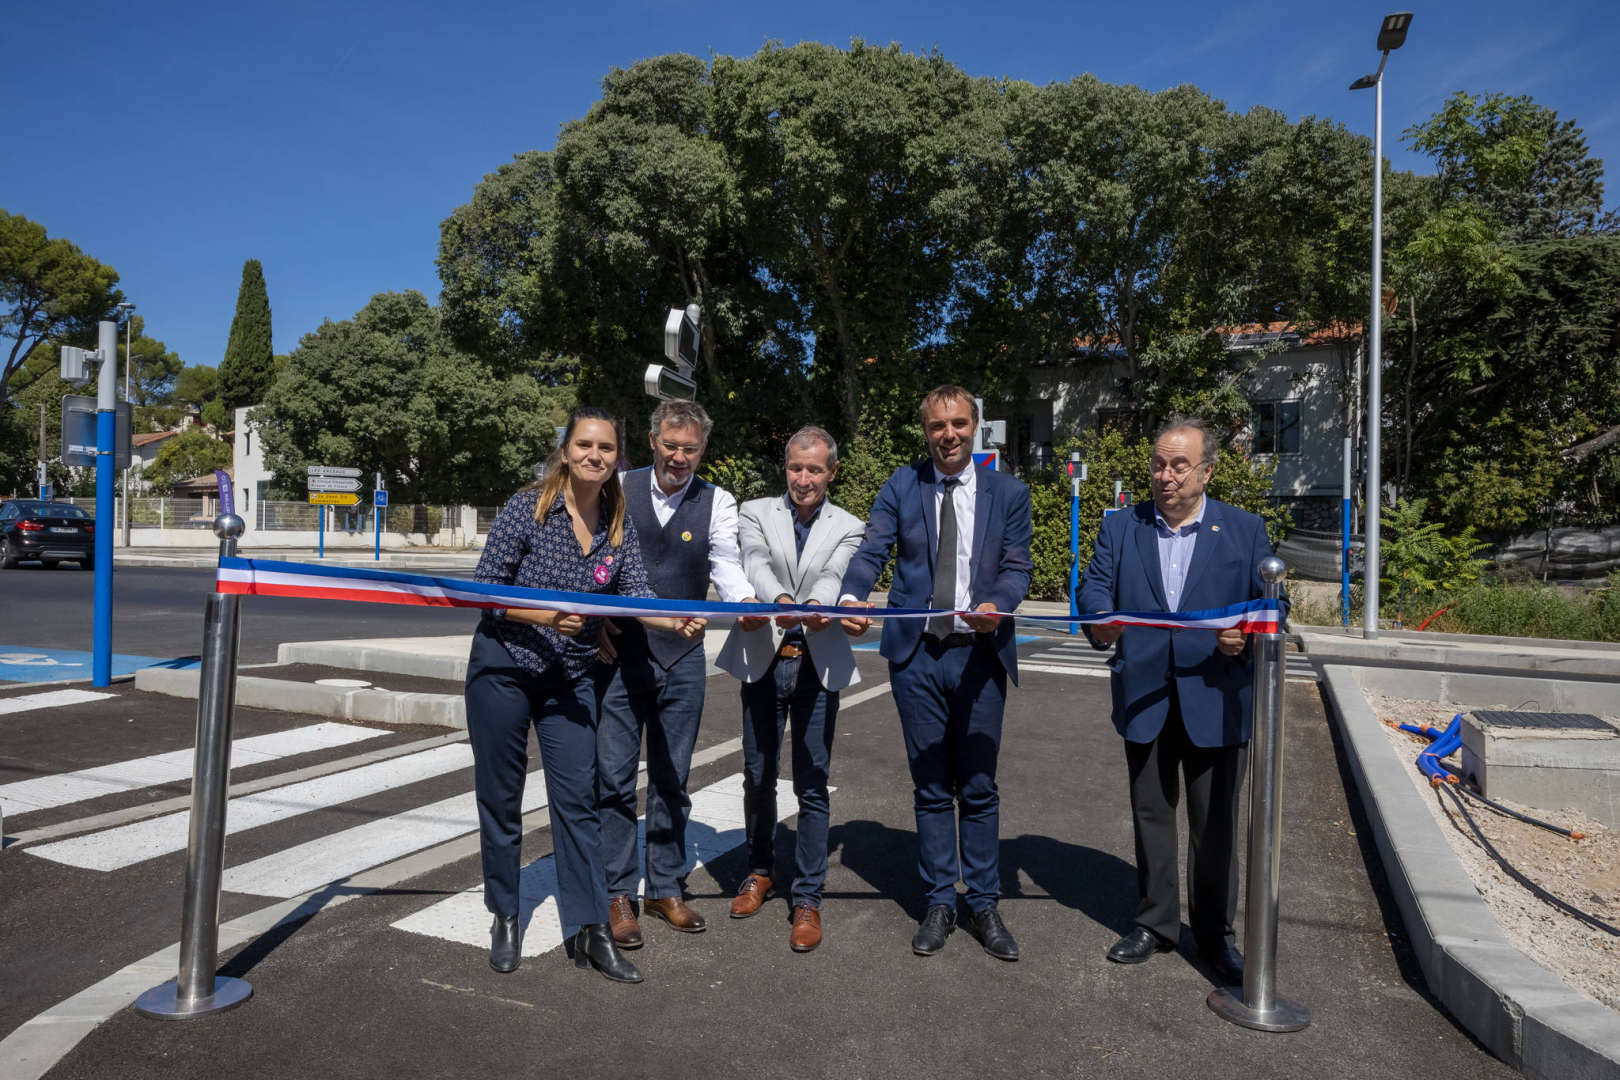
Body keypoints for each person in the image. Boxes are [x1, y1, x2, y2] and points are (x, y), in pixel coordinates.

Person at [465, 406, 705, 984]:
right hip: (504, 667)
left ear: (618, 458)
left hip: (568, 679)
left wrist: (675, 621)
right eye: (584, 445)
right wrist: (548, 615)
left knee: (579, 802)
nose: (594, 456)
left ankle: (592, 929)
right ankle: (505, 914)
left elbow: (636, 594)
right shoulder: (529, 507)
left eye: (605, 448)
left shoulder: (616, 519)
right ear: (566, 451)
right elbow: (484, 591)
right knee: (502, 798)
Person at [1077, 416, 1278, 986]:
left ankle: (1214, 936)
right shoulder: (1122, 526)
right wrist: (1100, 618)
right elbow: (1093, 586)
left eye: (1179, 466)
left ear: (1206, 472)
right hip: (1145, 694)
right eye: (1159, 465)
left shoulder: (1244, 530)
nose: (1165, 476)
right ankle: (1156, 924)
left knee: (1215, 825)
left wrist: (1244, 635)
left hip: (1216, 694)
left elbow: (1272, 605)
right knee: (1152, 815)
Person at [839, 385, 1033, 961]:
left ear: (975, 427)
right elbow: (872, 550)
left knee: (977, 786)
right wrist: (851, 596)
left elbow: (1018, 566)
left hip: (980, 654)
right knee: (929, 788)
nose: (948, 435)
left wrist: (998, 603)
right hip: (917, 656)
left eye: (958, 423)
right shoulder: (902, 484)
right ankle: (940, 901)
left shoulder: (1009, 492)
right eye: (937, 426)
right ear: (924, 431)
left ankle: (985, 903)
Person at [593, 400, 759, 948]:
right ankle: (618, 892)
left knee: (672, 780)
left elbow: (726, 562)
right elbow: (591, 556)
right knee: (614, 781)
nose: (679, 457)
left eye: (690, 448)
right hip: (620, 656)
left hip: (684, 659)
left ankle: (664, 888)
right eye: (670, 445)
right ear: (652, 442)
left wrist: (744, 600)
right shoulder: (617, 487)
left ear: (702, 449)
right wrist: (594, 621)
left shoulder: (718, 501)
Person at [715, 425, 866, 952]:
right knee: (757, 775)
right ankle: (760, 871)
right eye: (795, 468)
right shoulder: (754, 511)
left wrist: (816, 606)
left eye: (814, 469)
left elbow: (835, 573)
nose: (803, 479)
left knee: (812, 783)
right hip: (763, 657)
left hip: (816, 664)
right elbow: (754, 561)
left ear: (832, 472)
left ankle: (808, 897)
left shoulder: (850, 526)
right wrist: (780, 600)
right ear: (786, 467)